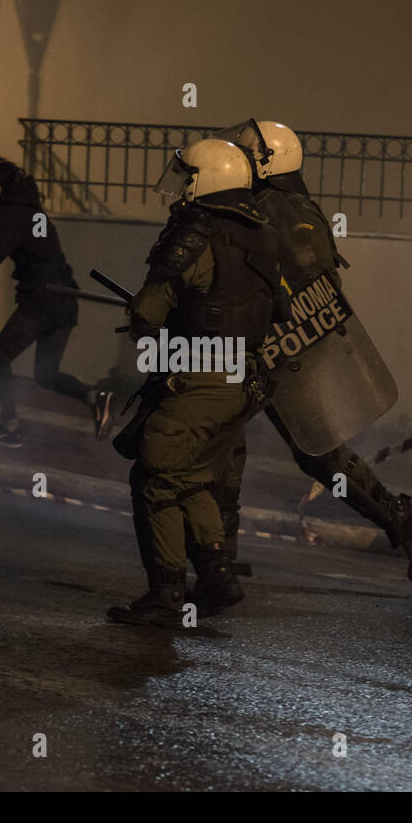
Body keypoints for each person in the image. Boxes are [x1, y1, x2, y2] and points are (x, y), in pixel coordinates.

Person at [207, 120, 412, 581]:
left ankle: (217, 564)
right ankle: (399, 517)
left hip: (267, 345)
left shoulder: (267, 211)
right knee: (313, 451)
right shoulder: (299, 209)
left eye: (249, 155)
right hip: (284, 346)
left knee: (222, 437)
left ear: (270, 161)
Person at [107, 138, 289, 626]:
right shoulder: (264, 235)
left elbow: (148, 310)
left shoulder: (196, 230)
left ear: (206, 178)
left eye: (188, 176)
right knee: (192, 477)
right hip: (245, 379)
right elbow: (273, 311)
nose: (182, 186)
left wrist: (150, 324)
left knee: (155, 477)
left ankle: (165, 594)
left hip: (201, 376)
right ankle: (216, 578)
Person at [0, 150, 111, 447]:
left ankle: (10, 426)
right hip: (64, 300)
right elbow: (9, 235)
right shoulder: (31, 210)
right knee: (46, 375)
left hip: (41, 301)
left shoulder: (14, 216)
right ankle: (94, 396)